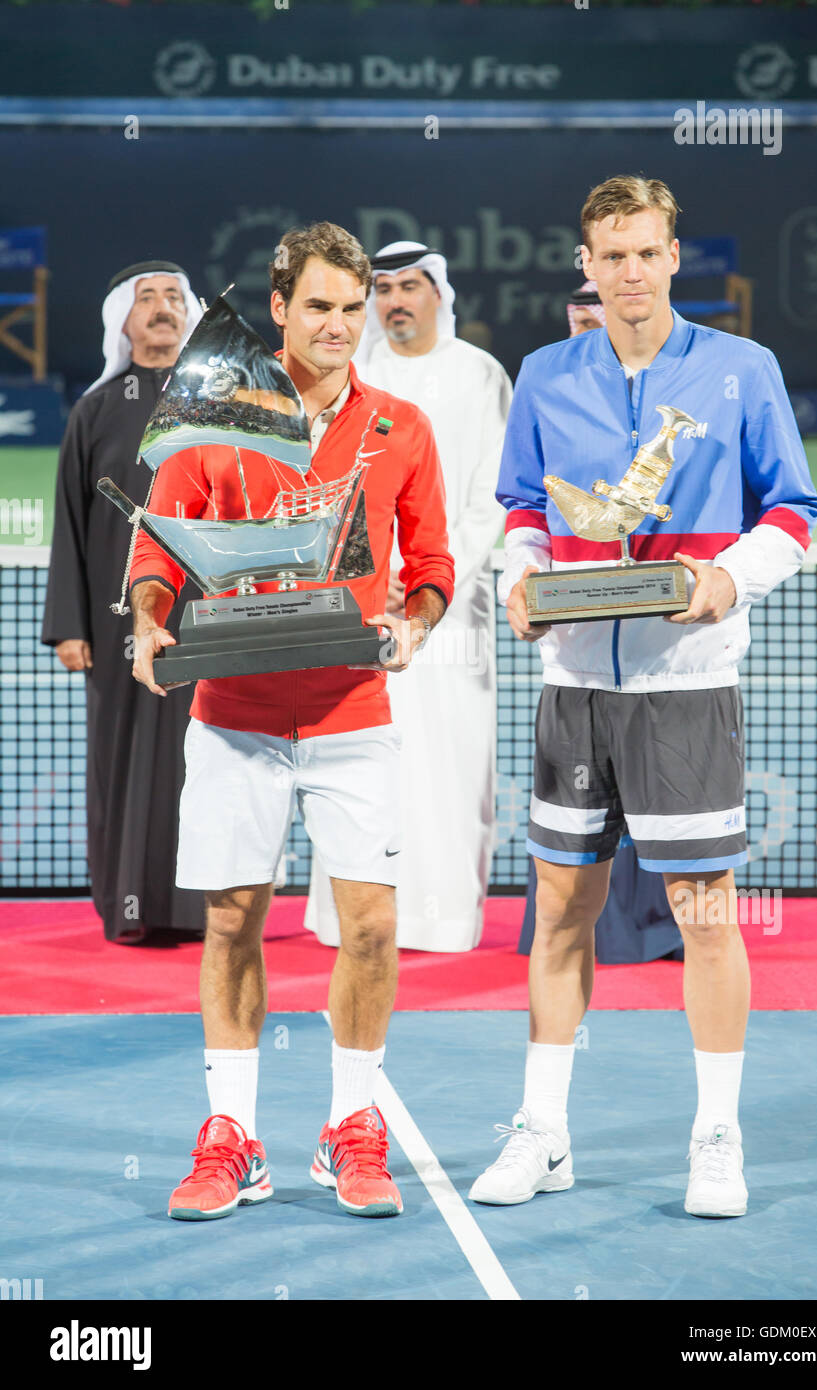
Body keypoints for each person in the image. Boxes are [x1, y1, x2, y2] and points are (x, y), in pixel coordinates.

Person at [472, 175, 817, 1217]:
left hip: (686, 687)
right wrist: (520, 583)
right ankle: (543, 1131)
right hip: (574, 684)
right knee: (558, 916)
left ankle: (715, 1138)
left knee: (704, 916)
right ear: (584, 265)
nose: (626, 272)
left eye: (644, 252)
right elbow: (523, 510)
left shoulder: (738, 370)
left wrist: (725, 578)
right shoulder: (543, 374)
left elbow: (793, 511)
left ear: (674, 258)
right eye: (607, 254)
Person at [128, 222, 454, 1220]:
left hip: (354, 712)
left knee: (371, 925)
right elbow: (159, 551)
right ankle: (231, 1134)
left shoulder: (401, 426)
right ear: (278, 308)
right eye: (319, 306)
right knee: (231, 919)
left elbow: (432, 569)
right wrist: (146, 624)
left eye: (353, 309)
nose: (339, 327)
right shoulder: (212, 420)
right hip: (234, 712)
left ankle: (349, 1126)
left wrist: (412, 622)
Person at [305, 241, 512, 952]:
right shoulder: (350, 379)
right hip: (361, 606)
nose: (395, 301)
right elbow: (324, 487)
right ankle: (350, 918)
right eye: (383, 289)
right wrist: (374, 571)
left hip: (450, 615)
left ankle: (445, 917)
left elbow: (494, 499)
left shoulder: (480, 376)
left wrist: (428, 579)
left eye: (409, 286)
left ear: (438, 295)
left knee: (450, 766)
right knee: (360, 762)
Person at [41, 261, 205, 944]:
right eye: (148, 299)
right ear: (124, 320)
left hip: (202, 621)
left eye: (174, 297)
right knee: (121, 758)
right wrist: (70, 627)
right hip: (115, 632)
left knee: (199, 761)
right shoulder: (95, 410)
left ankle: (197, 909)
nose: (162, 309)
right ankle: (129, 907)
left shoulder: (214, 403)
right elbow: (71, 525)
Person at [519, 277, 681, 963]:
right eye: (580, 316)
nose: (593, 324)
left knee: (660, 803)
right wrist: (523, 576)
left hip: (666, 656)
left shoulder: (668, 393)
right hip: (577, 652)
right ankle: (584, 939)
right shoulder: (547, 389)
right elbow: (524, 503)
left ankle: (650, 929)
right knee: (577, 818)